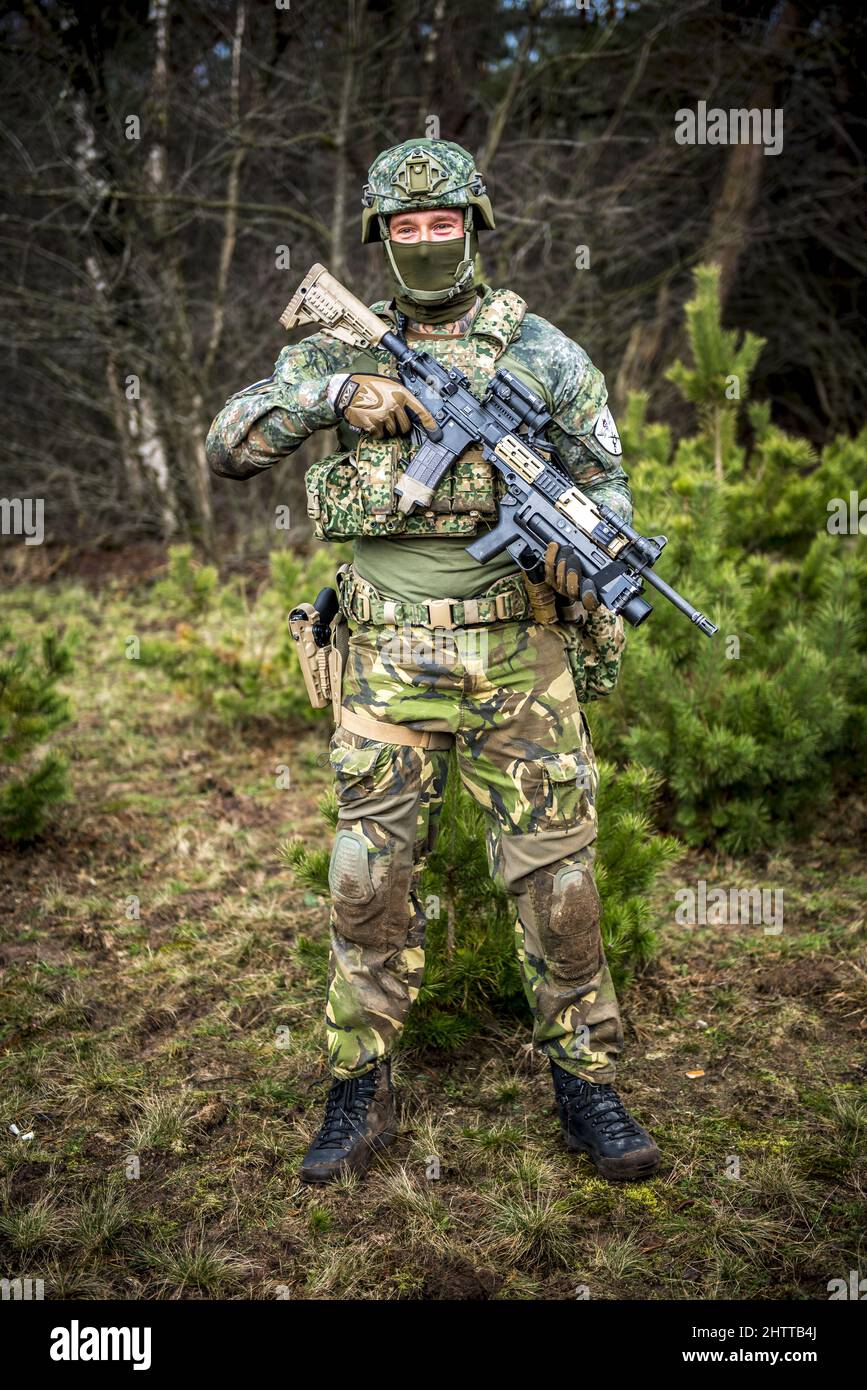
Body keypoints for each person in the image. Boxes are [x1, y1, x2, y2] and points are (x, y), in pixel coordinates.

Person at [206, 138, 660, 1186]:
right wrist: (337, 401)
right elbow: (230, 444)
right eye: (403, 228)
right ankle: (358, 1085)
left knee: (563, 883)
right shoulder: (337, 353)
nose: (423, 240)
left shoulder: (543, 351)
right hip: (384, 660)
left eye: (441, 223)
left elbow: (610, 486)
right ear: (381, 237)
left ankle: (586, 1078)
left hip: (518, 653)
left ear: (474, 226)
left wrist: (585, 545)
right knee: (369, 882)